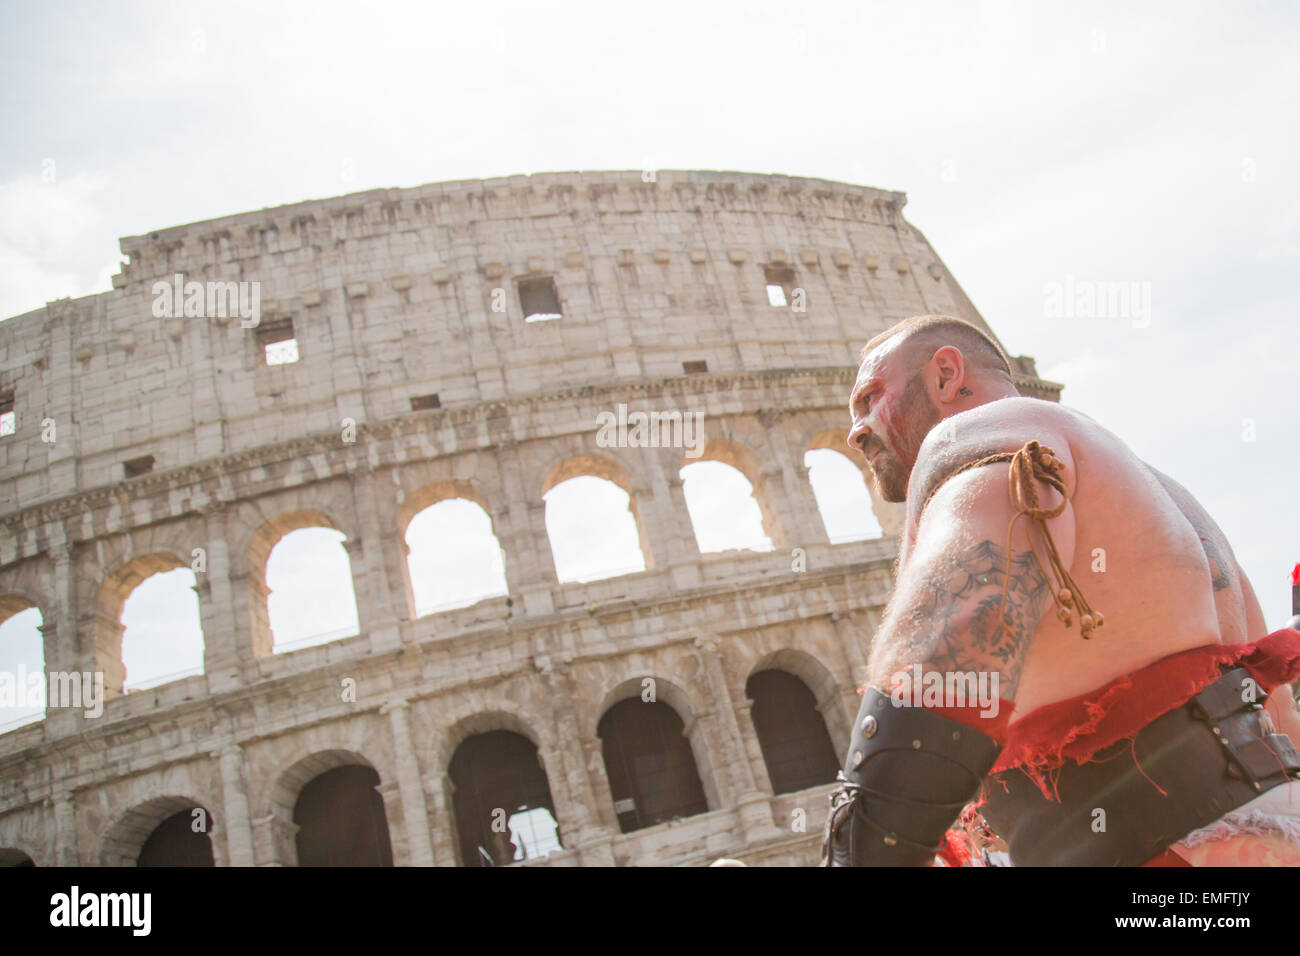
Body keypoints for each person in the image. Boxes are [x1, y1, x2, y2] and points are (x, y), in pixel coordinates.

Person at [822, 314, 1300, 867]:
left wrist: (858, 856)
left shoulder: (976, 433)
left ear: (947, 375)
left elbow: (957, 633)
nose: (857, 430)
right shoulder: (1171, 502)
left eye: (871, 398)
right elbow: (1278, 714)